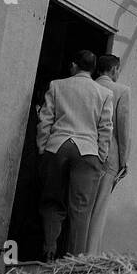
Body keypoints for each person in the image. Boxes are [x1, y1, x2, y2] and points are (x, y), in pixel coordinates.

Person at [36, 49, 113, 261]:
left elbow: (45, 120)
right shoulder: (105, 94)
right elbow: (105, 129)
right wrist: (101, 156)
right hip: (87, 151)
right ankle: (75, 260)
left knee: (52, 202)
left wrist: (43, 148)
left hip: (57, 147)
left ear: (73, 65)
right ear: (93, 69)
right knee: (81, 210)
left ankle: (49, 250)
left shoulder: (56, 85)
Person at [85, 53, 131, 254]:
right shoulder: (121, 91)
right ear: (114, 70)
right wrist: (124, 159)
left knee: (80, 204)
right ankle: (89, 256)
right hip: (109, 156)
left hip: (85, 150)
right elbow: (123, 129)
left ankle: (72, 251)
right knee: (99, 207)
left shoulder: (88, 87)